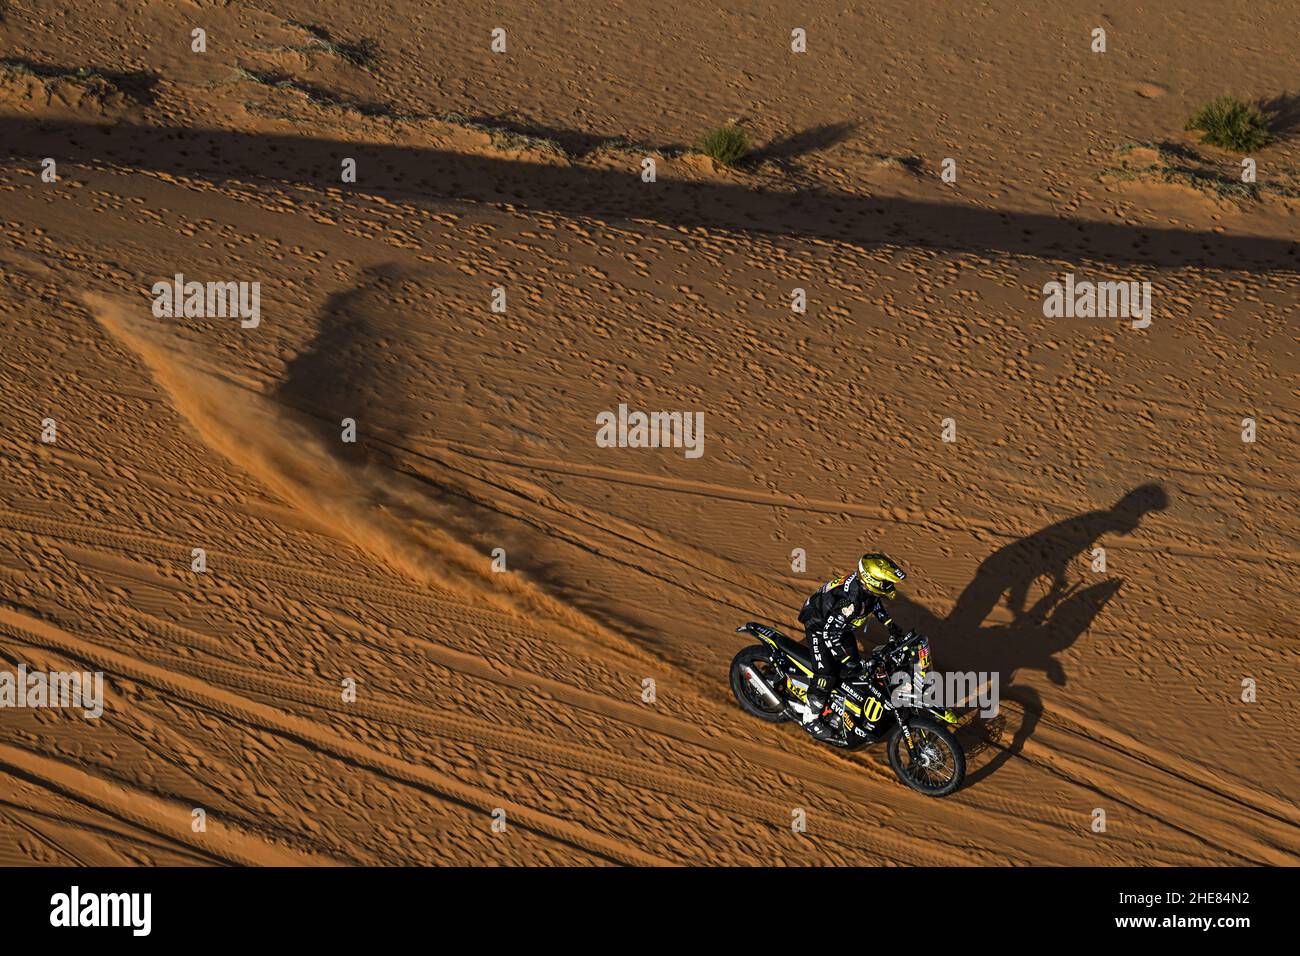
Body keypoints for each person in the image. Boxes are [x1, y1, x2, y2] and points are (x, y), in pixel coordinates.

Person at [797, 553, 907, 741]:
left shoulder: (867, 591)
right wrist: (846, 661)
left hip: (841, 626)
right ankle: (810, 718)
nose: (890, 587)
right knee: (826, 674)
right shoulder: (851, 602)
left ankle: (842, 705)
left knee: (854, 669)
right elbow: (829, 635)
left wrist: (890, 625)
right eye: (885, 583)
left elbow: (875, 604)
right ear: (872, 580)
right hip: (818, 625)